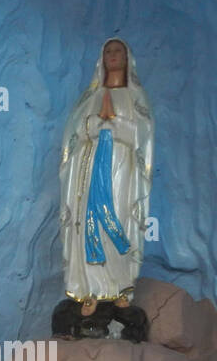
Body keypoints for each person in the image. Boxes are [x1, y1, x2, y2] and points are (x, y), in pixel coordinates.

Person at [59, 37, 154, 317]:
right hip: (89, 169)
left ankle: (121, 287)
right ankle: (90, 289)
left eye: (118, 51)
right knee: (89, 219)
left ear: (128, 59)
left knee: (119, 219)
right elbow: (75, 134)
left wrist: (115, 123)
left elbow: (143, 137)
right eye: (108, 51)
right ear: (101, 59)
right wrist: (99, 122)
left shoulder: (136, 97)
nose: (113, 55)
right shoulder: (90, 98)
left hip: (121, 170)